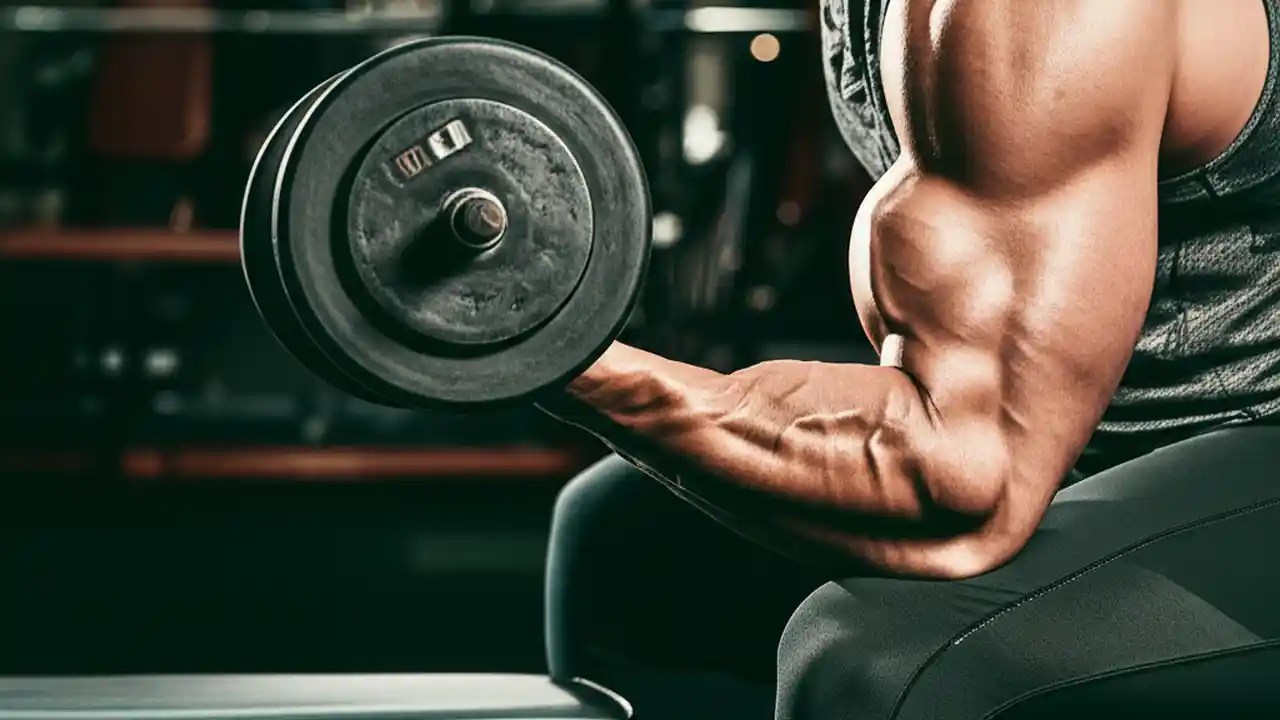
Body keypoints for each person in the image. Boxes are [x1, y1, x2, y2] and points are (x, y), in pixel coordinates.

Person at [542, 1, 1280, 717]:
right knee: (632, 552)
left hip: (1252, 432)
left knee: (873, 659)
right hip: (1085, 433)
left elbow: (962, 481)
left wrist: (552, 354)